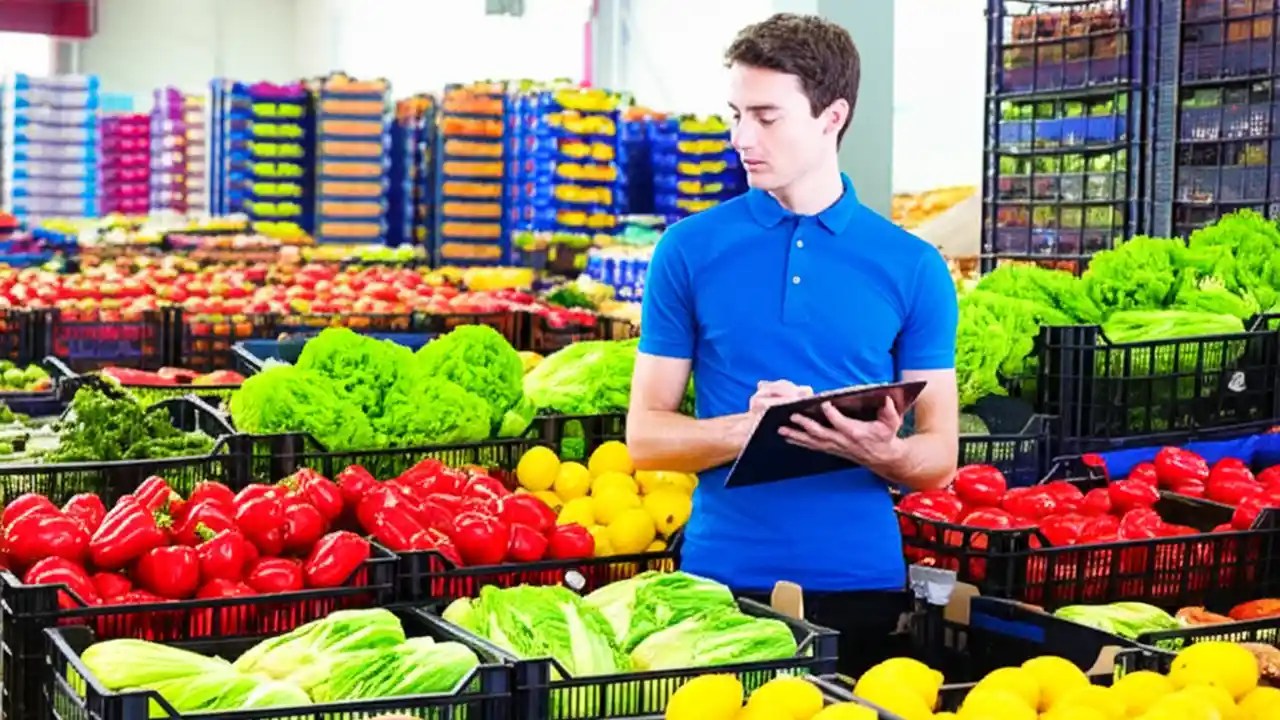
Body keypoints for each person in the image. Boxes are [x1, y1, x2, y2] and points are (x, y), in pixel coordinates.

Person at [625, 12, 960, 676]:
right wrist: (748, 430)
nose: (742, 137)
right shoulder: (688, 251)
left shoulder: (913, 266)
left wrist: (887, 452)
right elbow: (646, 435)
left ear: (832, 117)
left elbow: (939, 456)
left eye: (767, 117)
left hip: (863, 586)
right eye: (735, 114)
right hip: (719, 587)